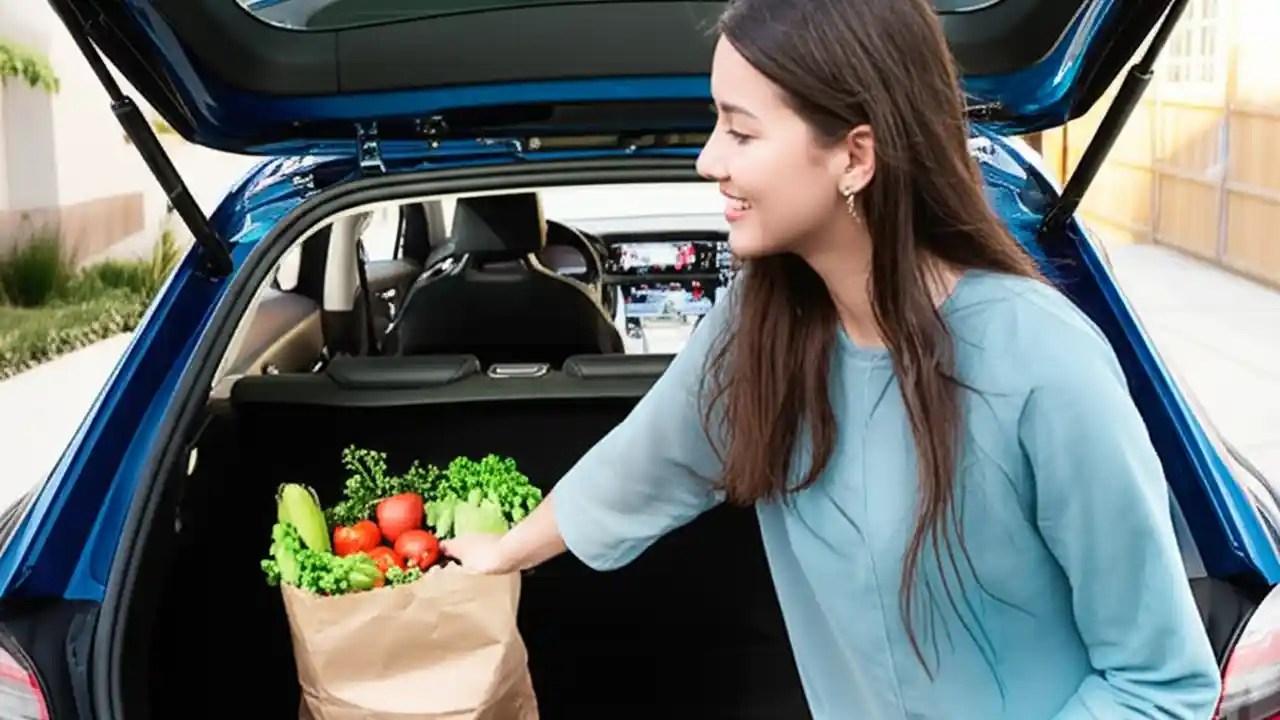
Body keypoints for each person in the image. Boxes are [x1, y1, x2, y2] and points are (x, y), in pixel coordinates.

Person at [441, 0, 1223, 717]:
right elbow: (648, 463)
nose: (709, 160)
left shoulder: (1042, 363)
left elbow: (1161, 684)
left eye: (741, 132)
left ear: (855, 157)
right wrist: (500, 556)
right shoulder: (760, 324)